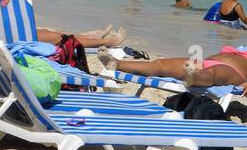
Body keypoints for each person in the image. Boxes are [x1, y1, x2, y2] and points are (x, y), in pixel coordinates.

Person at [99, 47, 247, 89]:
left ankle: (193, 77)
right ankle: (116, 64)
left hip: (234, 71)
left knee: (211, 74)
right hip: (206, 61)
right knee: (160, 64)